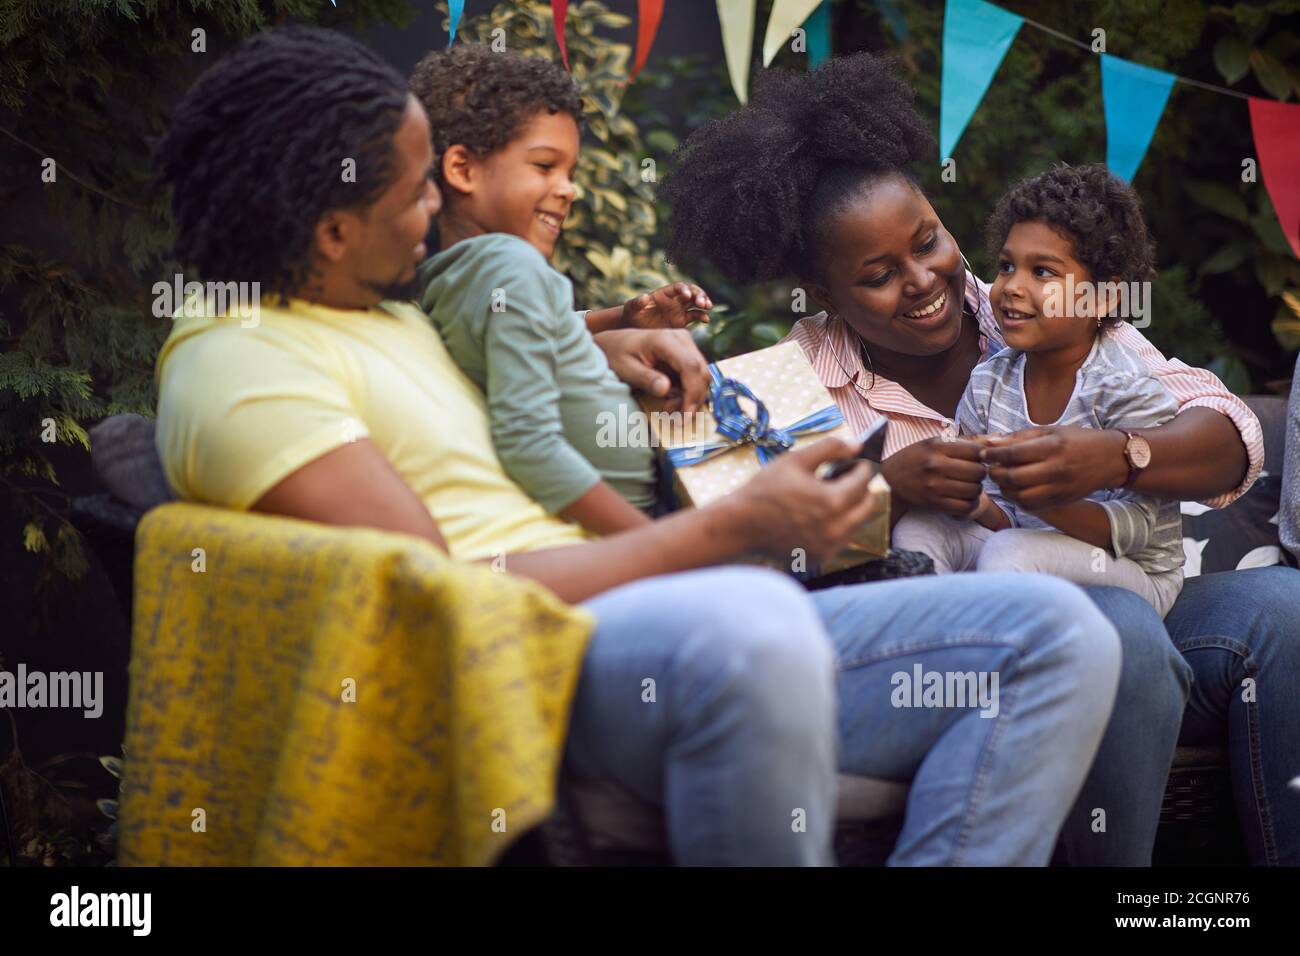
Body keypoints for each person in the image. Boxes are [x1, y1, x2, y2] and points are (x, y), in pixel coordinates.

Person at [151, 26, 1121, 865]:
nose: (431, 218)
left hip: (652, 614)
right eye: (413, 195)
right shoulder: (244, 362)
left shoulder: (389, 316)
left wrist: (610, 338)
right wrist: (728, 530)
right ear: (329, 228)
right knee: (753, 624)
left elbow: (524, 350)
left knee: (1059, 633)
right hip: (540, 655)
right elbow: (437, 598)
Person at [662, 51, 1300, 866]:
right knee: (1116, 630)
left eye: (928, 240)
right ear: (822, 295)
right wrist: (888, 487)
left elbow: (1223, 431)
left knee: (1282, 609)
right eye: (878, 276)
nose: (926, 280)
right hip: (985, 658)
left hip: (1125, 582)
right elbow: (745, 568)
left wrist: (1117, 456)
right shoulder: (785, 387)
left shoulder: (1032, 301)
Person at [411, 45, 712, 535]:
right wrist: (656, 544)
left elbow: (529, 332)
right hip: (634, 522)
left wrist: (622, 317)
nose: (569, 189)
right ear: (463, 170)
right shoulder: (511, 266)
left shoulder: (453, 273)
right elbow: (528, 442)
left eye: (570, 173)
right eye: (545, 166)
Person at [894, 164, 1184, 618]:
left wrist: (1048, 500)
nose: (1010, 287)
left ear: (1102, 299)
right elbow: (1003, 516)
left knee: (1011, 553)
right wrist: (972, 496)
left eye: (1043, 272)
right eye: (1007, 265)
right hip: (1022, 543)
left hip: (1134, 571)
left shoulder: (1125, 388)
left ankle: (995, 665)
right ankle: (935, 638)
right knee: (922, 528)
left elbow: (1142, 532)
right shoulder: (990, 382)